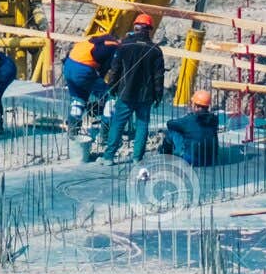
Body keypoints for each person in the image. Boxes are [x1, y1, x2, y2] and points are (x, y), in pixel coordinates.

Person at [105, 13, 166, 163]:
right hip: (146, 96)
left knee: (118, 123)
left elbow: (115, 69)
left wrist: (111, 86)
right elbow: (158, 76)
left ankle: (108, 157)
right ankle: (137, 158)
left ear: (135, 27)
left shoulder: (124, 46)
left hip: (126, 93)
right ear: (149, 30)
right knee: (142, 125)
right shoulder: (156, 50)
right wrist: (158, 95)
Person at [62, 32, 121, 134]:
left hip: (68, 66)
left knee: (78, 99)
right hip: (83, 70)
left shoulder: (94, 39)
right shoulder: (115, 46)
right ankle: (105, 133)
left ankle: (73, 132)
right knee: (110, 97)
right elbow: (107, 69)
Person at [160, 89, 220, 167]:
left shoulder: (189, 120)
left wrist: (186, 117)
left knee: (171, 132)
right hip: (210, 160)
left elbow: (169, 124)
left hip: (192, 160)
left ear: (196, 106)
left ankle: (165, 155)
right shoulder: (215, 119)